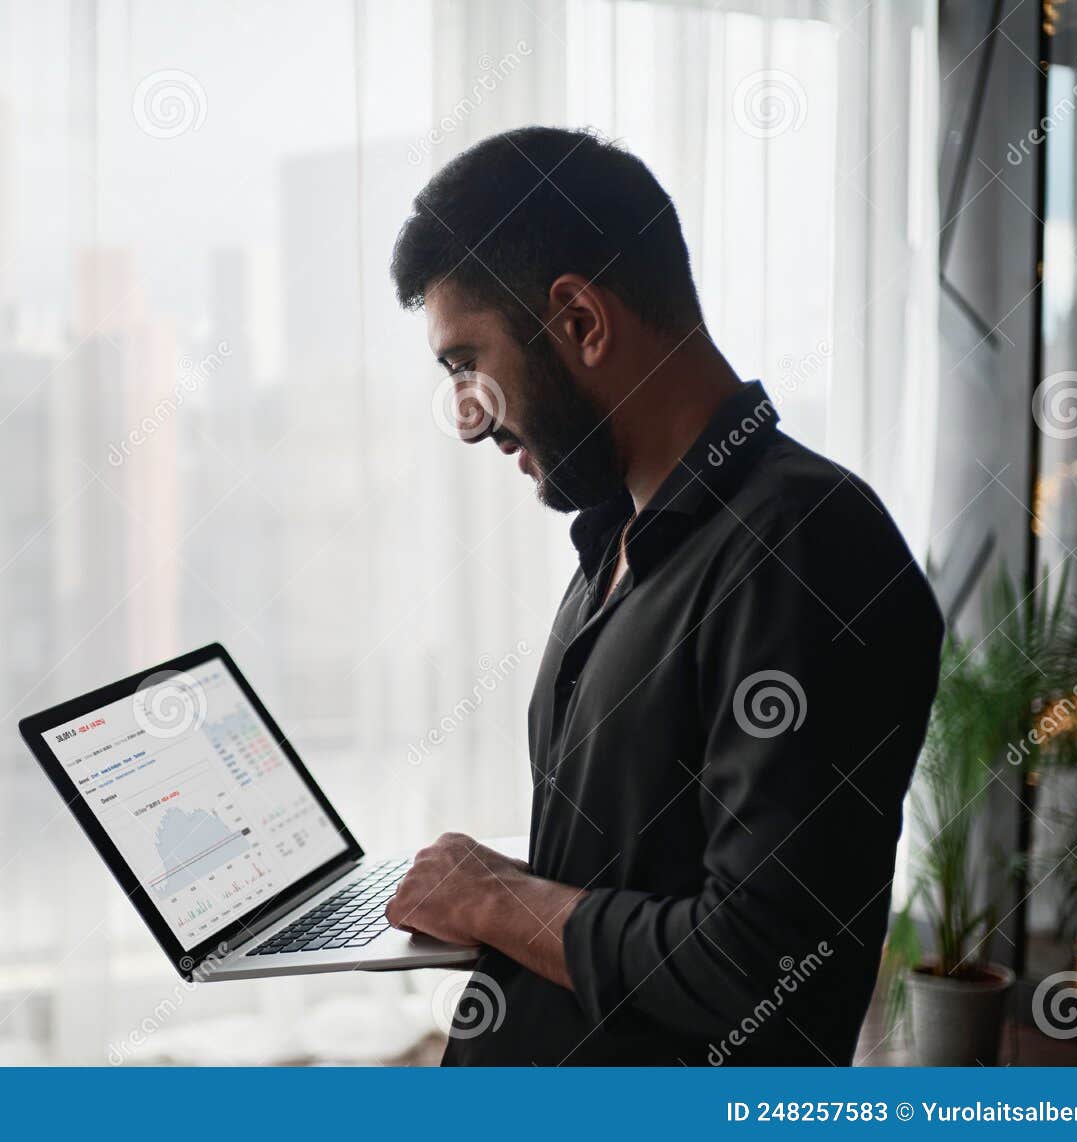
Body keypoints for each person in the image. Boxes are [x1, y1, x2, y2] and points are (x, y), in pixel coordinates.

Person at [382, 126, 943, 1066]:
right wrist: (493, 892)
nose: (470, 419)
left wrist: (496, 898)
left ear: (582, 321)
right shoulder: (617, 537)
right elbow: (639, 882)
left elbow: (758, 960)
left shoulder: (808, 544)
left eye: (467, 364)